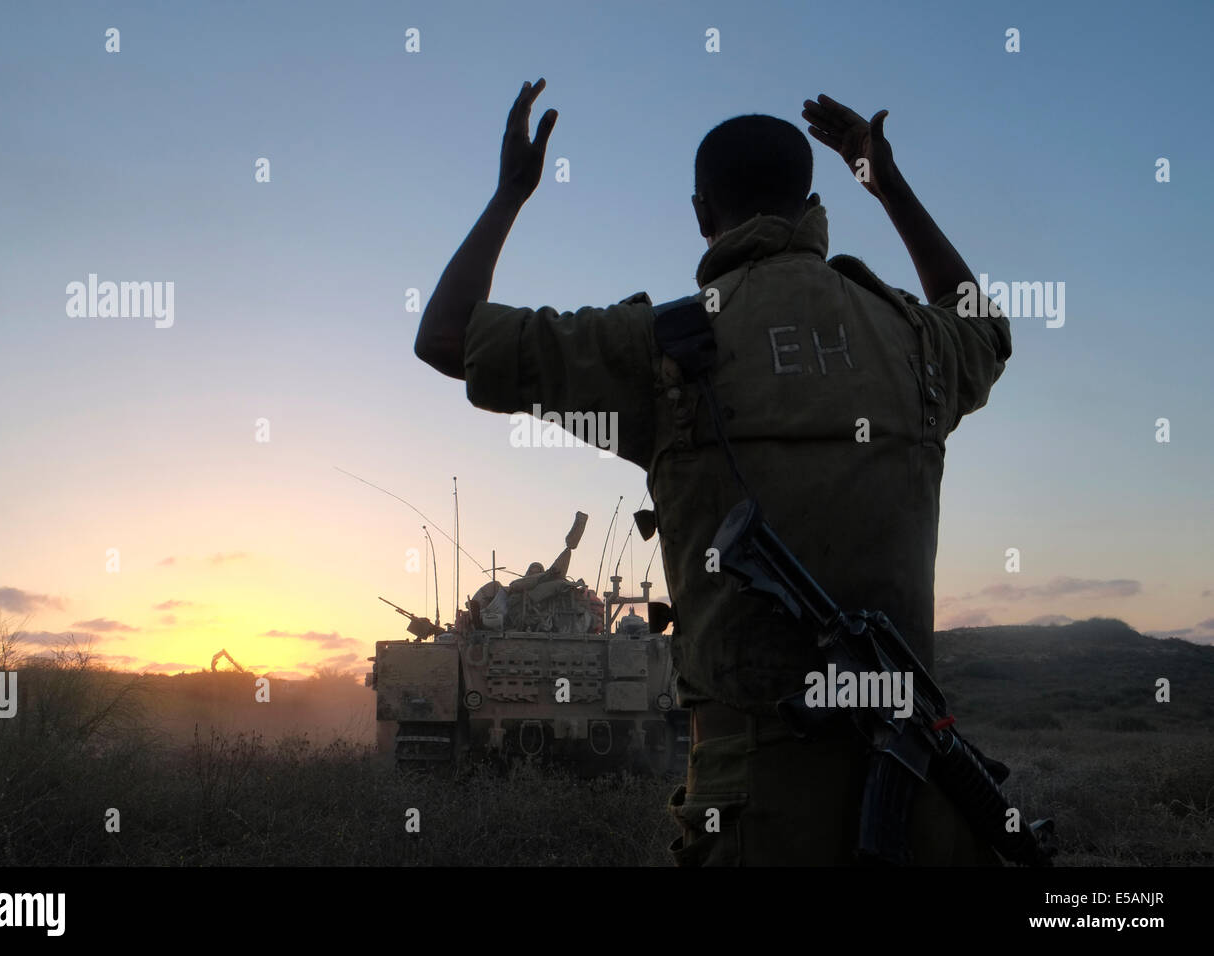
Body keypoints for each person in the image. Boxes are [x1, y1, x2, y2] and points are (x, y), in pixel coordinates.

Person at [414, 78, 1011, 865]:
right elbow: (985, 328)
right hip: (918, 799)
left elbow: (447, 338)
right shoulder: (913, 341)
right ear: (812, 206)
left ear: (702, 216)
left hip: (752, 809)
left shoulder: (657, 349)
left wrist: (510, 194)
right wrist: (885, 181)